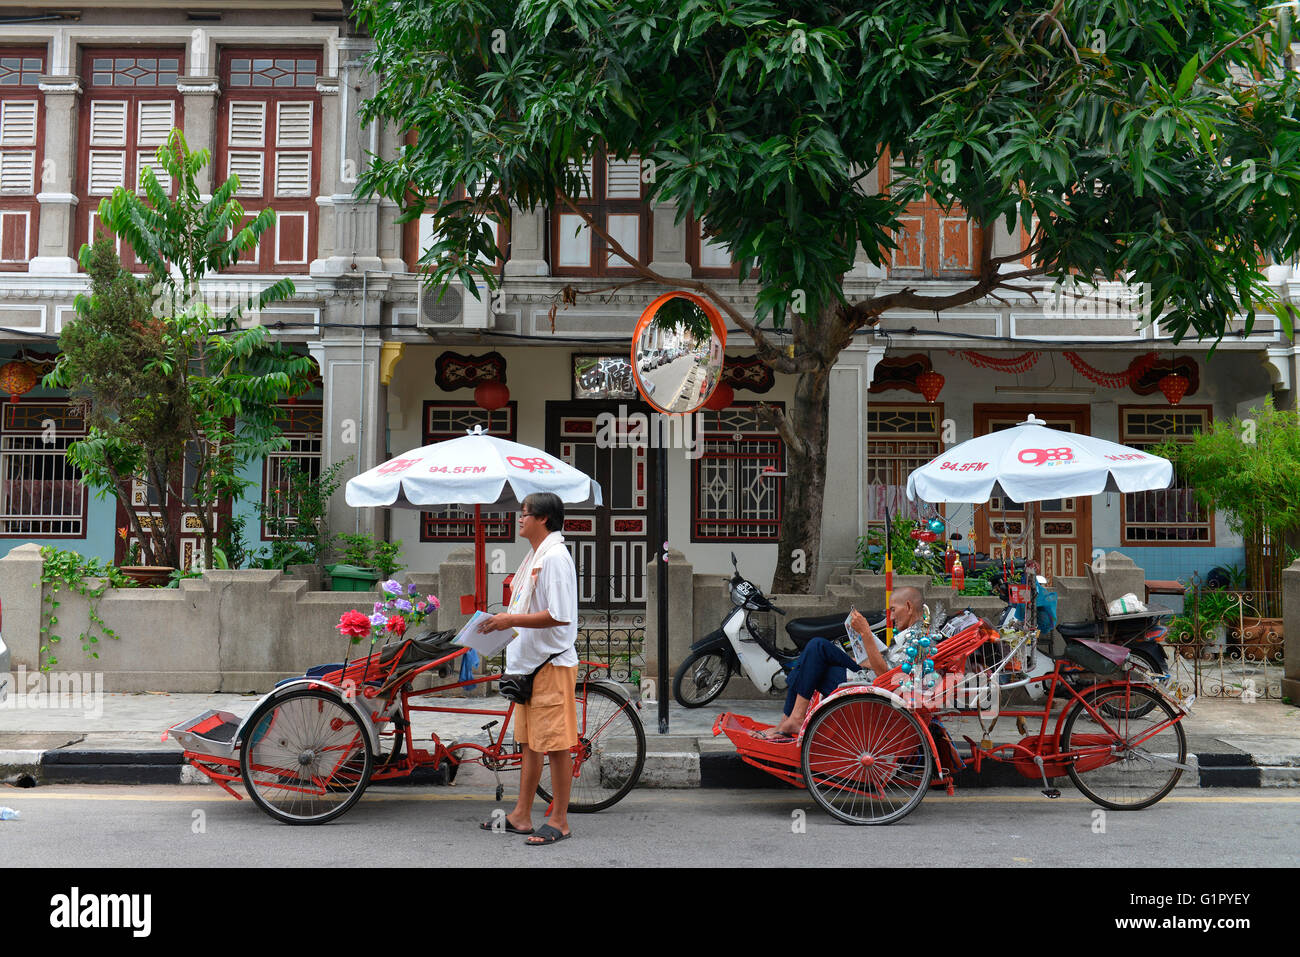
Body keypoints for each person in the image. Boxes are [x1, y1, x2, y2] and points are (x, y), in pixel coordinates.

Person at [476, 492, 579, 845]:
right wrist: (499, 622)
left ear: (543, 519)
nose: (519, 519)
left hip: (549, 665)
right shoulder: (535, 556)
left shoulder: (555, 558)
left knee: (556, 744)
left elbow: (559, 615)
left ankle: (560, 821)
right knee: (530, 743)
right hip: (529, 668)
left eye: (525, 514)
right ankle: (521, 814)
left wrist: (510, 619)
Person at [757, 585, 925, 740]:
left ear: (909, 607)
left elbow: (887, 676)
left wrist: (866, 633)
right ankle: (787, 722)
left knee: (812, 657)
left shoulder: (916, 640)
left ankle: (792, 720)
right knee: (818, 647)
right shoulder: (912, 635)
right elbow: (888, 666)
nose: (892, 616)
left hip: (872, 689)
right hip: (869, 675)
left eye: (894, 610)